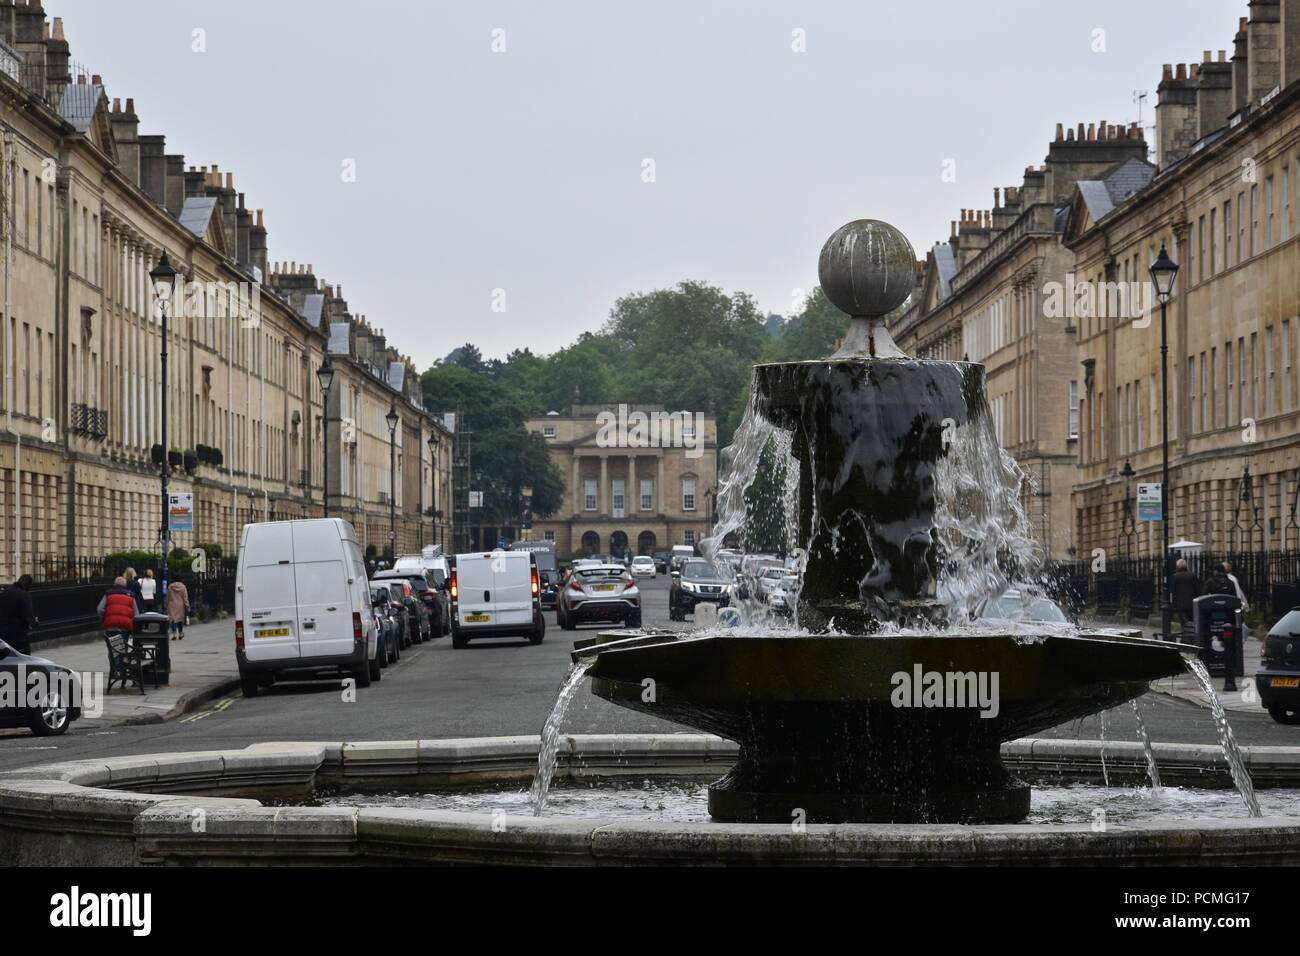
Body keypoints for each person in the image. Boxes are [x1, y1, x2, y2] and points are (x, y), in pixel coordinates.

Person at [0, 575, 37, 655]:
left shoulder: (5, 592)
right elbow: (28, 615)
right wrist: (34, 623)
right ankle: (21, 668)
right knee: (22, 659)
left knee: (6, 657)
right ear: (28, 585)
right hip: (18, 635)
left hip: (3, 633)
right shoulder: (24, 595)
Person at [1171, 558, 1200, 633]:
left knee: (1184, 623)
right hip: (1192, 604)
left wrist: (1173, 605)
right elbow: (1198, 589)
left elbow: (1173, 592)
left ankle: (1186, 637)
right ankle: (1192, 636)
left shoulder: (1175, 576)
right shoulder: (1192, 575)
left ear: (1177, 567)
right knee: (1192, 622)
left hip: (1181, 605)